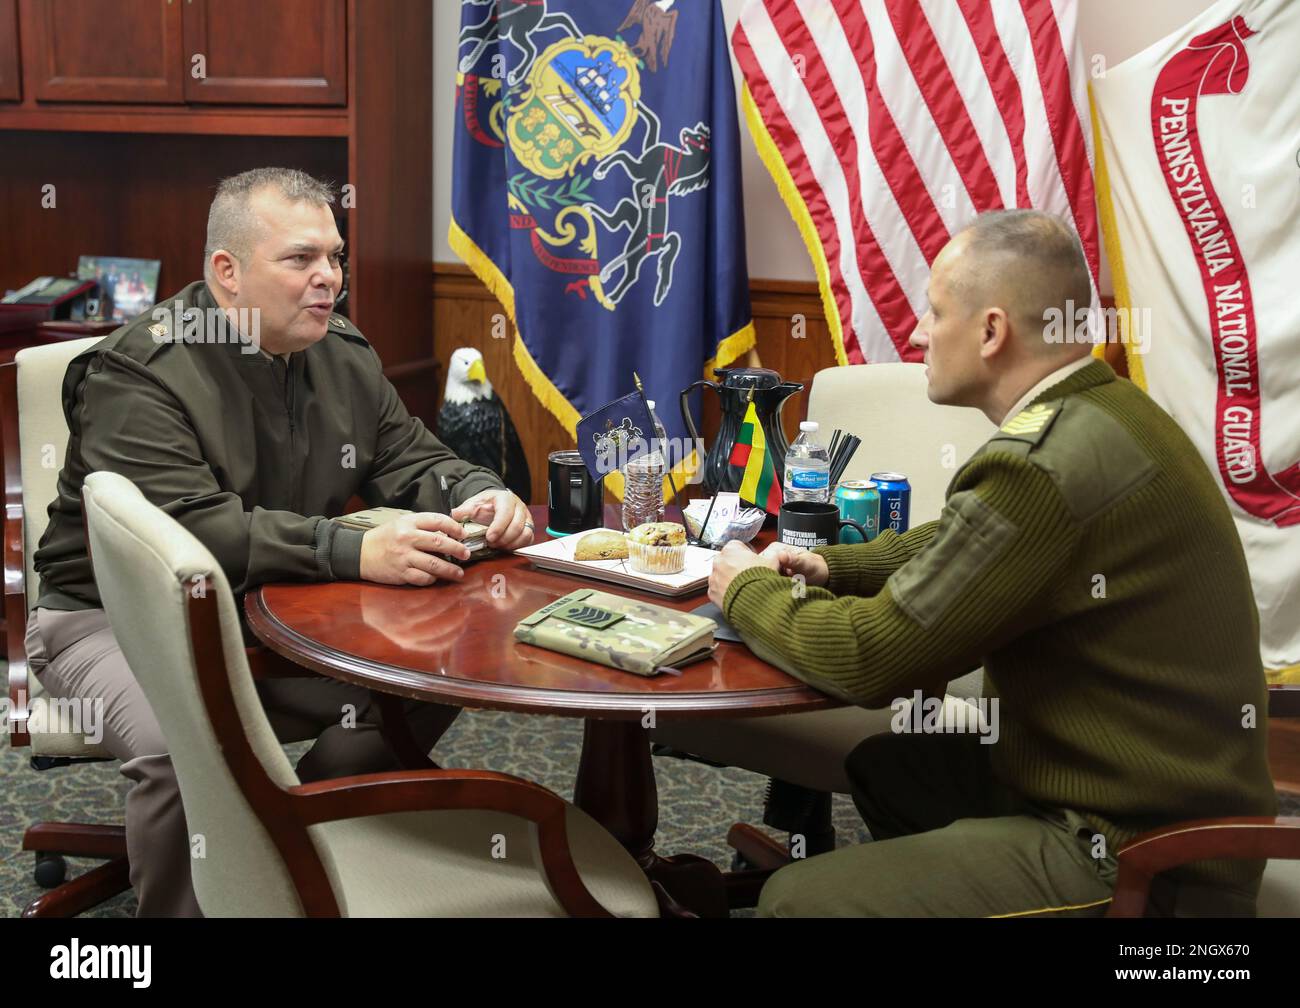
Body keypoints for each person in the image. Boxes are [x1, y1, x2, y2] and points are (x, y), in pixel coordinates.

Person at [708, 209, 1275, 917]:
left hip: (1144, 858)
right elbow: (965, 543)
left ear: (991, 331)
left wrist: (749, 591)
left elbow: (869, 662)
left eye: (934, 311)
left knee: (798, 899)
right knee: (894, 769)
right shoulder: (1101, 411)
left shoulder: (1042, 464)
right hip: (1138, 795)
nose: (916, 333)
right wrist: (838, 570)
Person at [27, 167, 533, 916]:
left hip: (276, 608)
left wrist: (476, 492)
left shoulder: (341, 353)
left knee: (443, 662)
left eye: (335, 257)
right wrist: (354, 551)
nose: (329, 277)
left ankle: (291, 842)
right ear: (227, 274)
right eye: (301, 260)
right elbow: (195, 531)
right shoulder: (140, 371)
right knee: (185, 754)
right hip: (111, 617)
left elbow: (410, 458)